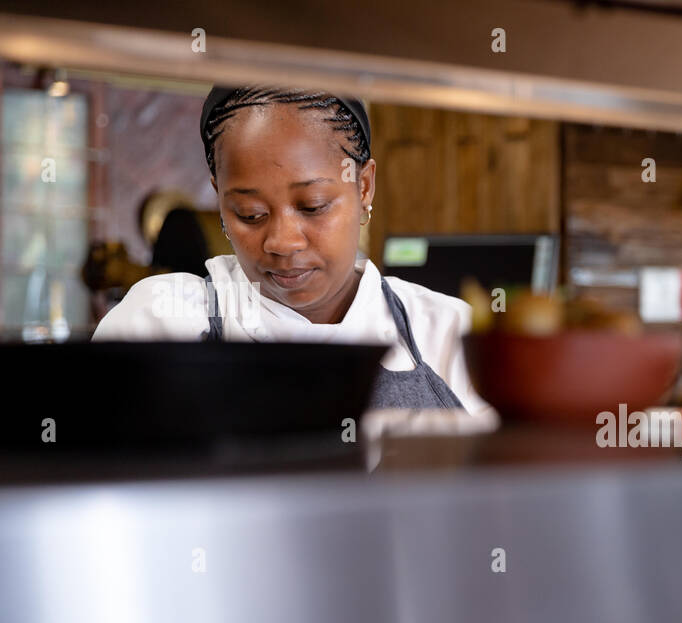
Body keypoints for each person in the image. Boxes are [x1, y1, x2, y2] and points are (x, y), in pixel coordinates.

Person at [93, 87, 487, 414]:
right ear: (220, 200)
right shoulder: (159, 324)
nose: (282, 242)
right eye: (250, 213)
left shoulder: (452, 334)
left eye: (313, 206)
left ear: (364, 187)